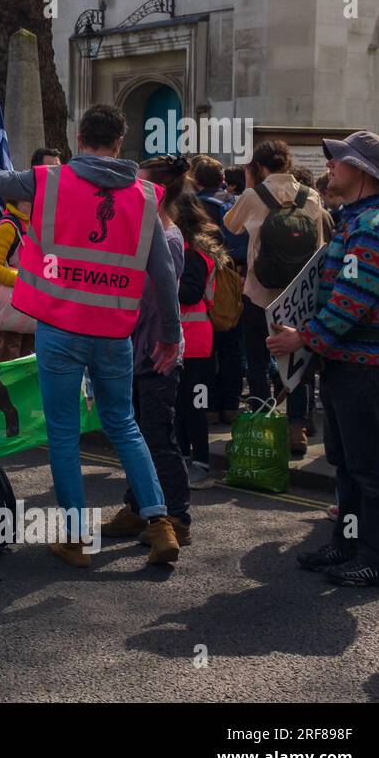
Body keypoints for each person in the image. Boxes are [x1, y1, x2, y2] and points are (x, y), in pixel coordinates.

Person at [0, 104, 183, 568]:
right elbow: (164, 274)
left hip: (61, 328)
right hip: (114, 332)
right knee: (124, 424)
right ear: (120, 142)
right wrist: (171, 333)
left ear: (78, 135)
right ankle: (159, 523)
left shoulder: (47, 181)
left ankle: (74, 537)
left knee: (64, 432)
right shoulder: (147, 196)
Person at [268, 131, 379, 588]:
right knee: (347, 463)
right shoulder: (354, 221)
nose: (330, 169)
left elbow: (350, 304)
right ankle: (348, 545)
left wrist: (300, 340)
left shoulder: (372, 229)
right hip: (349, 363)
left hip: (368, 367)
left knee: (372, 467)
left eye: (338, 163)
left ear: (362, 173)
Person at [103, 156, 193, 546]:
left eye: (138, 185)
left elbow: (158, 304)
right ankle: (138, 506)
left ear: (156, 192)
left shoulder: (167, 239)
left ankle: (176, 515)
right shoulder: (148, 230)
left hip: (157, 355)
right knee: (135, 433)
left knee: (158, 437)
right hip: (137, 351)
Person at [224, 140, 327, 457]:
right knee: (297, 363)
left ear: (257, 166)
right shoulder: (310, 195)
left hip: (260, 291)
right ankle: (297, 428)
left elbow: (231, 225)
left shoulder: (253, 195)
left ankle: (260, 422)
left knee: (256, 360)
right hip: (298, 294)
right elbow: (319, 240)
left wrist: (251, 186)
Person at [173, 191, 228, 488]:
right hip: (186, 339)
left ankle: (202, 465)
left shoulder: (191, 252)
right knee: (181, 406)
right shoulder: (186, 248)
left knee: (193, 406)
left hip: (194, 342)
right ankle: (184, 459)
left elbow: (191, 294)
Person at [192, 155, 244, 424]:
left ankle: (207, 406)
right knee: (231, 347)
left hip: (202, 284)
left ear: (196, 180)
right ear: (223, 180)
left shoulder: (194, 207)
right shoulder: (234, 205)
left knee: (204, 351)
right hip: (230, 282)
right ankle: (231, 405)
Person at [0, 190, 36, 362]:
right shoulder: (8, 226)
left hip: (28, 302)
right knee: (6, 356)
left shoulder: (33, 225)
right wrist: (24, 279)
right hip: (11, 303)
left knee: (26, 359)